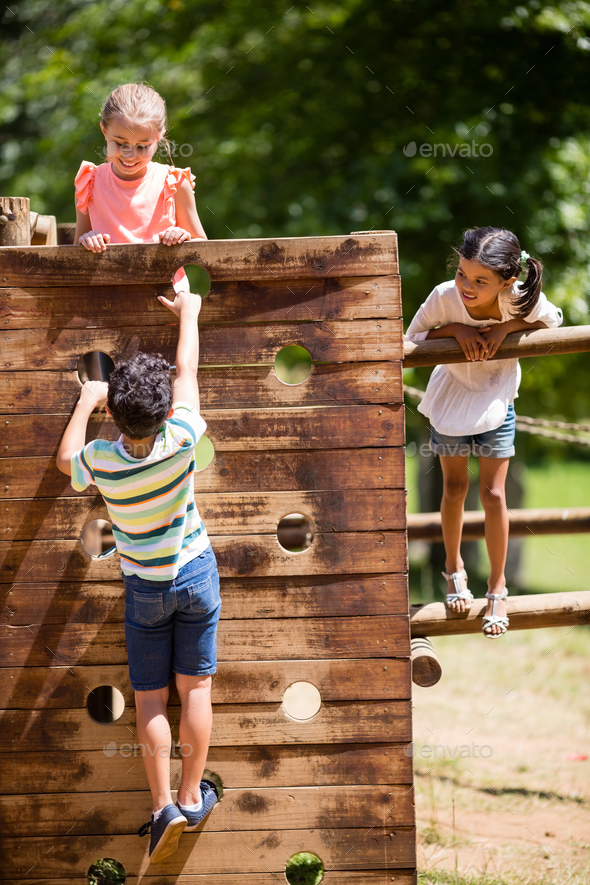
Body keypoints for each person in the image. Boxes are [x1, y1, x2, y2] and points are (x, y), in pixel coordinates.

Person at [57, 290, 220, 863]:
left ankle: (160, 808)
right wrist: (190, 313)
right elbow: (189, 372)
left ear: (115, 416)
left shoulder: (102, 459)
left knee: (150, 702)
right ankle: (191, 794)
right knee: (194, 688)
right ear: (166, 410)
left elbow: (65, 463)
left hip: (145, 589)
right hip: (196, 575)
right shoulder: (183, 438)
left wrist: (87, 401)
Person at [405, 227, 562, 638]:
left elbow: (554, 321)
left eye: (480, 281)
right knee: (454, 488)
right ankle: (453, 567)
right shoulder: (443, 297)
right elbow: (412, 339)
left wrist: (506, 330)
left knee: (493, 495)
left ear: (507, 282)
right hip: (452, 399)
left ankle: (497, 586)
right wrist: (454, 331)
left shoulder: (518, 298)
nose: (466, 286)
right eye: (462, 274)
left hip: (497, 400)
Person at [74, 82, 206, 293]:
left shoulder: (174, 182)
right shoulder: (89, 182)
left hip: (166, 302)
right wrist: (87, 240)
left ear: (159, 138)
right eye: (119, 142)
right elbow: (76, 251)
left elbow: (203, 247)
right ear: (104, 131)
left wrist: (182, 236)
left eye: (142, 146)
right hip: (107, 301)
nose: (129, 154)